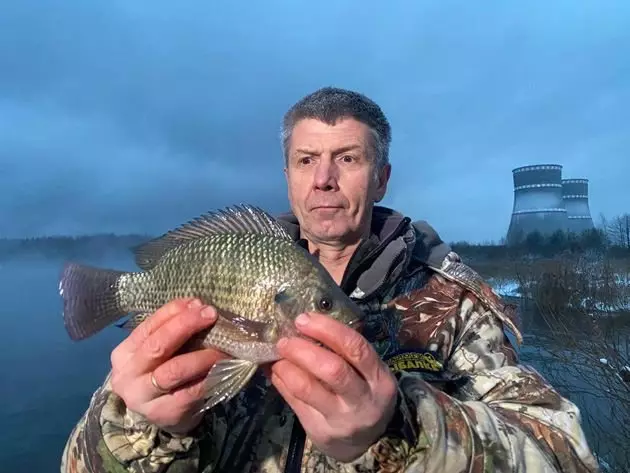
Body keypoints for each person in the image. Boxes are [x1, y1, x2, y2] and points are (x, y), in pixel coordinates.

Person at [61, 87, 601, 473]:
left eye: (347, 158)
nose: (324, 179)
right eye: (305, 160)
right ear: (288, 176)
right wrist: (140, 424)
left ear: (382, 177)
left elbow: (568, 455)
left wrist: (403, 428)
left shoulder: (455, 304)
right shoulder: (238, 258)